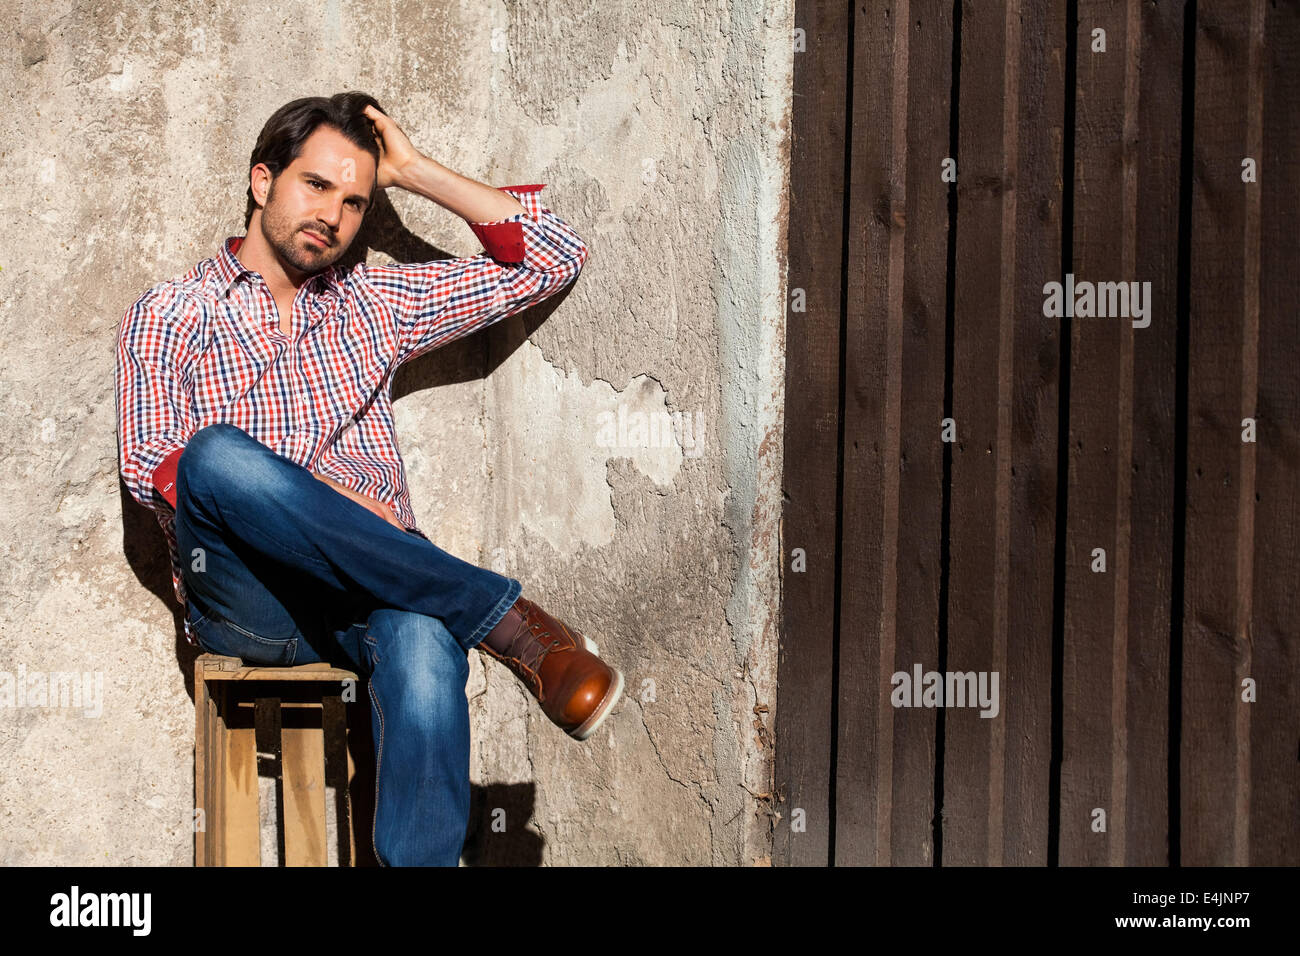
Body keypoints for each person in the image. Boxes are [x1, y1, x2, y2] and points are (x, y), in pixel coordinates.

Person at [114, 91, 623, 866]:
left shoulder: (374, 304)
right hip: (253, 602)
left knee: (422, 641)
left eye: (355, 201)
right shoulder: (172, 312)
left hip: (377, 594)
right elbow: (155, 469)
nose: (335, 215)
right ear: (262, 182)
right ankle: (507, 621)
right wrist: (313, 499)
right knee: (215, 456)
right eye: (316, 185)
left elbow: (554, 257)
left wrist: (414, 172)